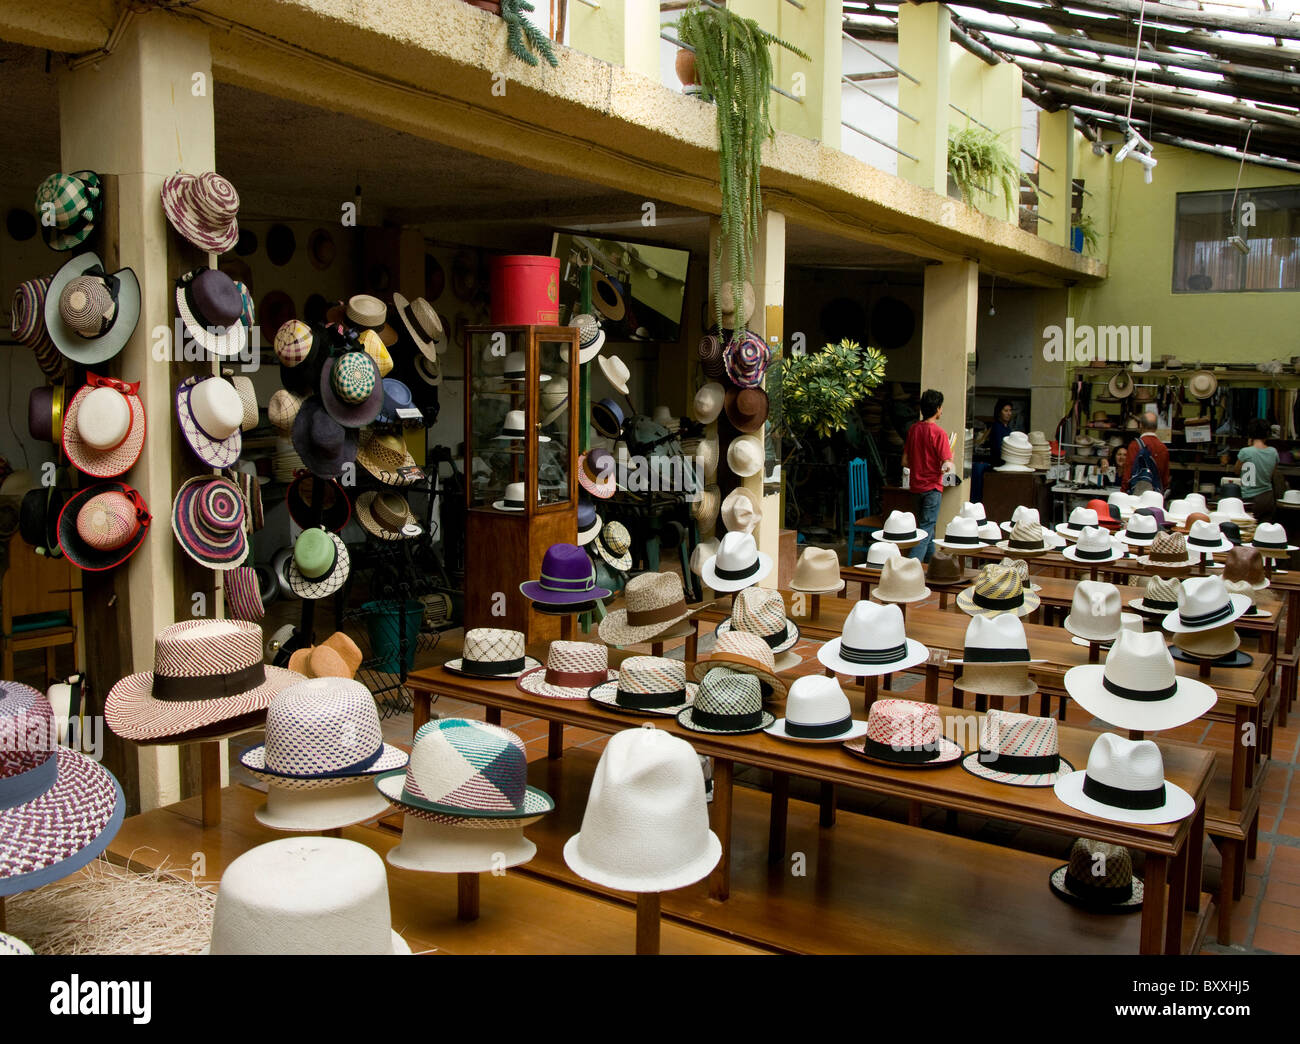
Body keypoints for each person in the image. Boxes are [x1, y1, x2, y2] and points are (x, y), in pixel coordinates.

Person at [902, 388, 954, 562]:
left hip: (916, 487)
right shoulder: (939, 433)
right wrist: (948, 461)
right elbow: (947, 465)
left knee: (926, 529)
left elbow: (905, 461)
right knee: (925, 531)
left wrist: (920, 465)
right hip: (932, 487)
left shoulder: (913, 429)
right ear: (938, 408)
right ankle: (910, 566)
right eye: (941, 407)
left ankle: (933, 564)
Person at [1236, 418, 1278, 521]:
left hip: (1249, 498)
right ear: (1267, 434)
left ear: (1250, 434)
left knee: (1248, 527)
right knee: (1265, 528)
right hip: (1268, 498)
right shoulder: (1273, 452)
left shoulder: (1245, 452)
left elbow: (1236, 470)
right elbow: (1272, 474)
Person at [1123, 413, 1170, 495]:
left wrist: (1123, 492)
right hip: (1155, 495)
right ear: (1156, 427)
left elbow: (1128, 473)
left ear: (1141, 425)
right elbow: (1165, 479)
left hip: (1137, 494)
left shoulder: (1135, 445)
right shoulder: (1163, 448)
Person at [988, 398, 1015, 467]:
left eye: (1010, 410)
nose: (1009, 413)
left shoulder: (1008, 428)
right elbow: (998, 449)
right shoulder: (997, 427)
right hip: (999, 464)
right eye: (1006, 411)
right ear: (999, 412)